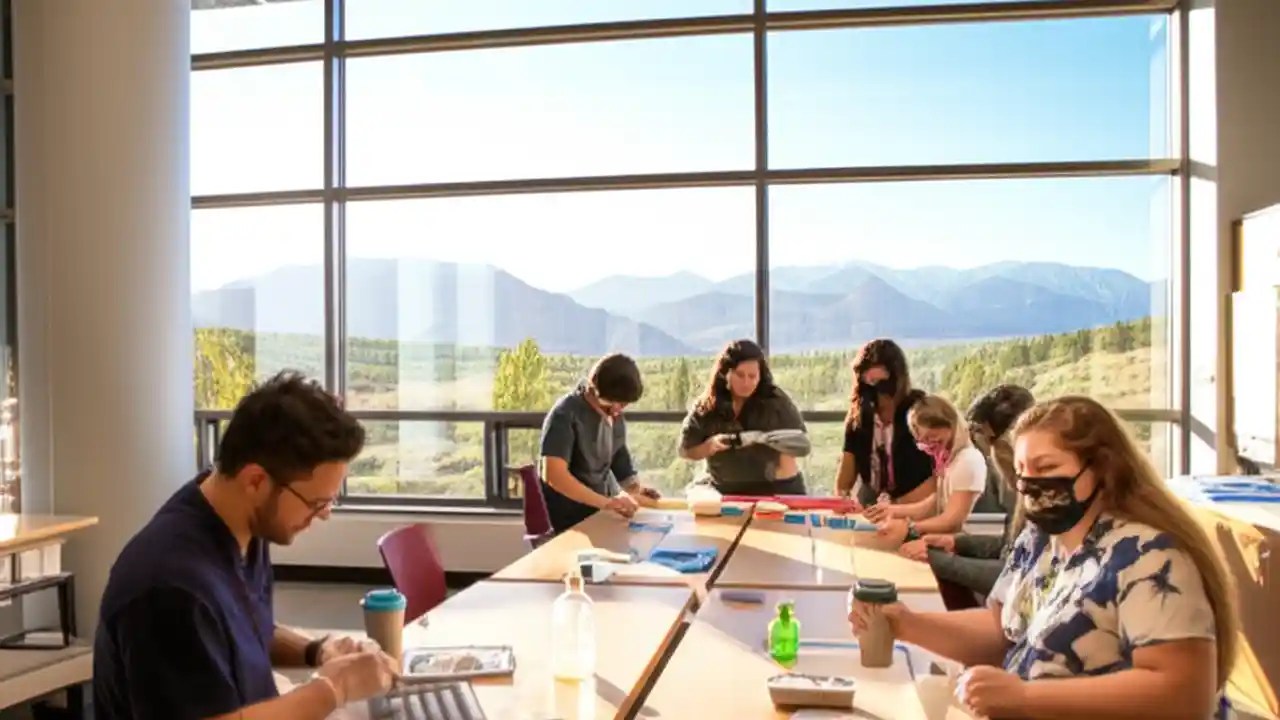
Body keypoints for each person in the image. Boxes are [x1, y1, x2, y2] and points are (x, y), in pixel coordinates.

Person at [850, 396, 1239, 719]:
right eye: (1022, 470)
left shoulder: (1148, 556)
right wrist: (906, 624)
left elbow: (1184, 692)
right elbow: (1002, 631)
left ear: (1102, 468)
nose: (1029, 483)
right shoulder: (1039, 541)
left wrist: (1024, 697)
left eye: (1047, 467)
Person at [94, 372, 399, 719]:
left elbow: (243, 634)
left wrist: (317, 651)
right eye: (315, 503)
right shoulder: (172, 589)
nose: (324, 515)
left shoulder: (241, 525)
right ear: (255, 481)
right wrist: (334, 688)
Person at [901, 385, 1036, 609]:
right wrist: (957, 543)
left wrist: (935, 558)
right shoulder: (1019, 492)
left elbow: (1014, 576)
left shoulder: (1039, 499)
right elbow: (1010, 546)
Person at [539, 352, 661, 533]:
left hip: (602, 512)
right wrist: (607, 503)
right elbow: (554, 475)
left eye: (622, 405)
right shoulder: (565, 414)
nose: (616, 411)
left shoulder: (614, 414)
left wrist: (635, 489)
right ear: (592, 389)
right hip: (572, 519)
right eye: (611, 404)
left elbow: (619, 458)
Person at [679, 339, 811, 495]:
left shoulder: (776, 402)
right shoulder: (707, 406)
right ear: (725, 373)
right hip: (722, 489)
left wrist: (771, 442)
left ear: (761, 376)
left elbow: (800, 442)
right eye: (740, 375)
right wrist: (709, 446)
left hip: (772, 488)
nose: (746, 382)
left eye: (752, 376)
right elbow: (685, 450)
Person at [864, 394, 985, 541]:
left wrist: (909, 528)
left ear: (950, 424)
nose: (927, 445)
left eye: (930, 437)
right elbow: (933, 505)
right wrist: (891, 510)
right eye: (922, 440)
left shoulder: (968, 460)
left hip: (956, 544)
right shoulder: (949, 460)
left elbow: (952, 521)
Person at [834, 338, 935, 507]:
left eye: (885, 385)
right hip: (874, 503)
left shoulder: (920, 412)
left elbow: (935, 480)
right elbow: (844, 481)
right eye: (871, 385)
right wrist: (844, 503)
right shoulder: (859, 418)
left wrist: (895, 505)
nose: (881, 396)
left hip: (916, 505)